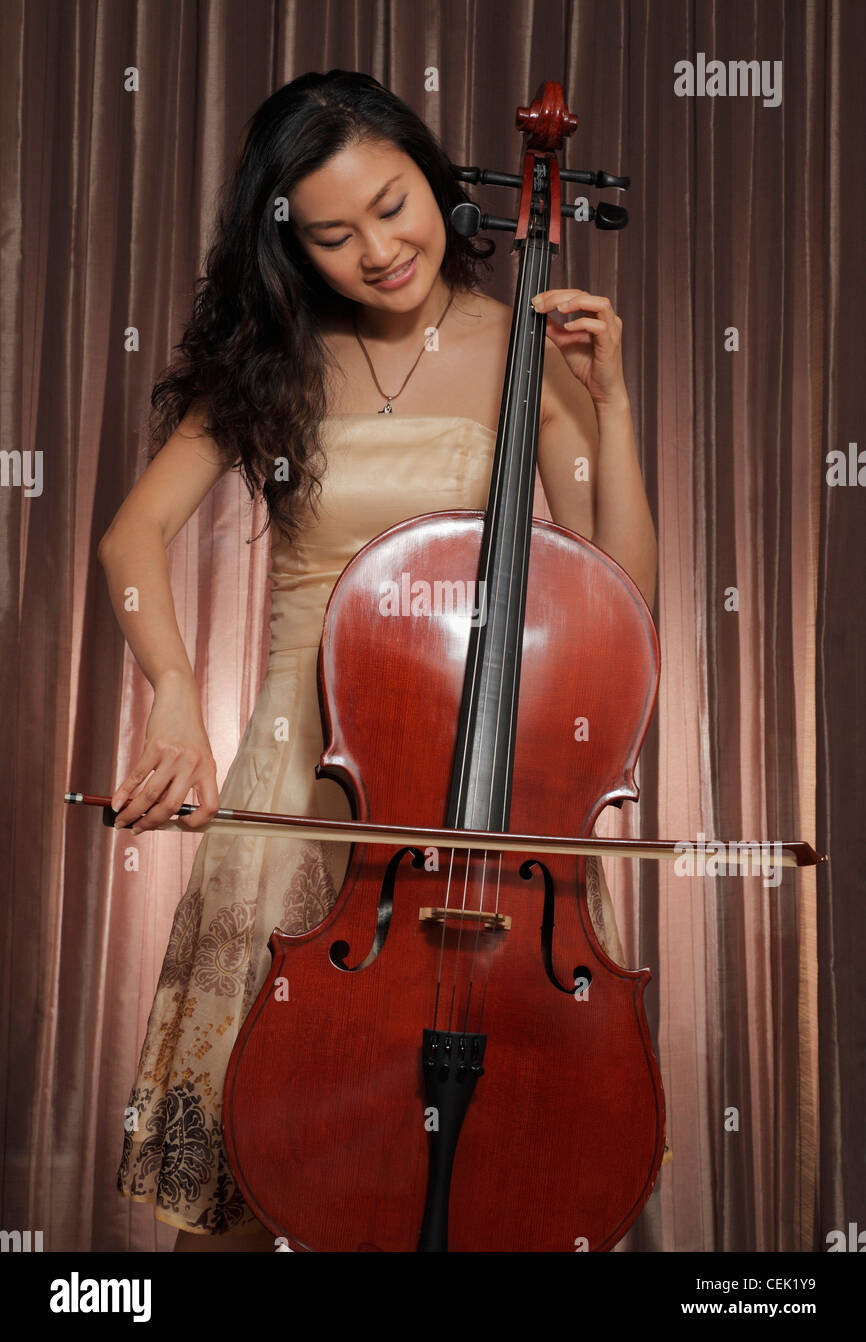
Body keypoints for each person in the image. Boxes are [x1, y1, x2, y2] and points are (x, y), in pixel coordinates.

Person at [99, 69, 658, 1252]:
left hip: (483, 789)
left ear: (439, 184)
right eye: (333, 234)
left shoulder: (526, 349)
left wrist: (607, 407)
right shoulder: (273, 357)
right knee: (266, 1160)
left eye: (394, 207)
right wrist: (174, 695)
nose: (378, 251)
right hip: (305, 776)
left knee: (488, 1167)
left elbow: (623, 601)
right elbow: (132, 538)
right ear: (290, 244)